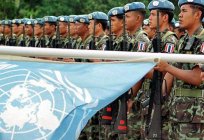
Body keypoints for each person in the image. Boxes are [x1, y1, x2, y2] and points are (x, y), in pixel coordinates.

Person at [155, 0, 204, 139]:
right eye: (180, 11)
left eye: (184, 11)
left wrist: (167, 67)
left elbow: (197, 78)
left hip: (195, 114)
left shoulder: (202, 39)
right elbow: (171, 73)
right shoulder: (183, 40)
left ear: (198, 14)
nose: (180, 15)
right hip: (176, 111)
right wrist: (158, 98)